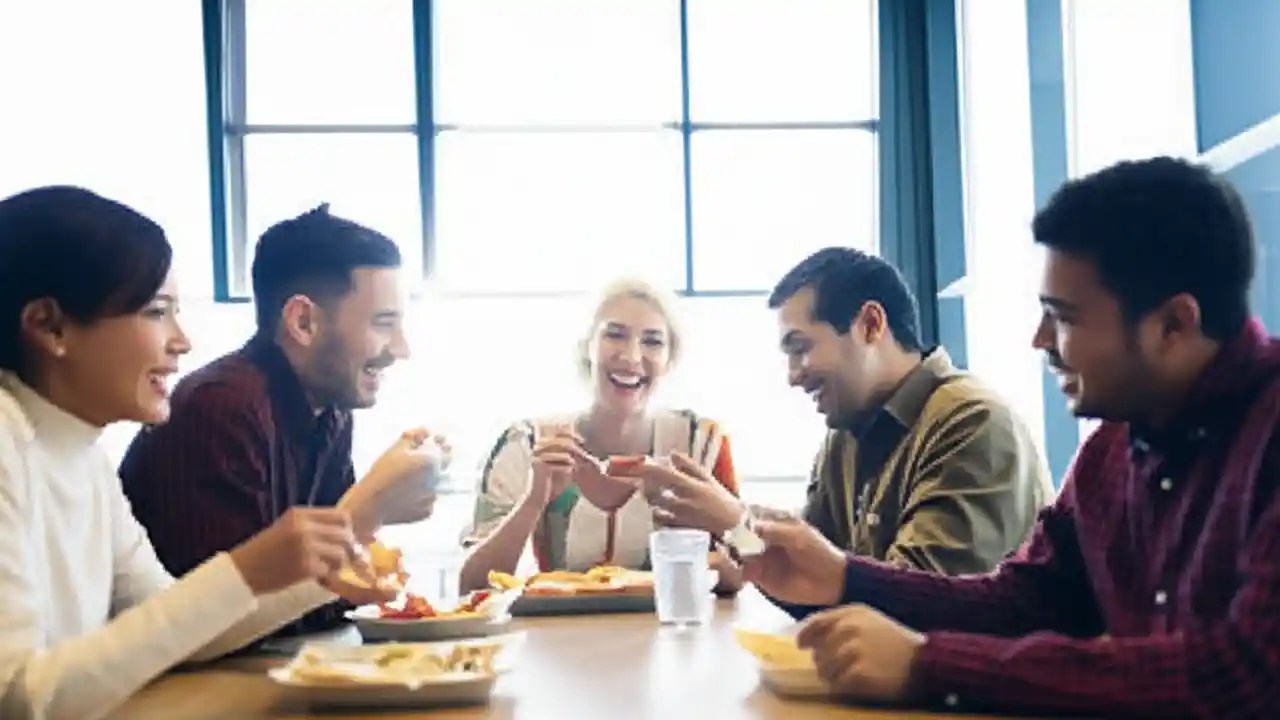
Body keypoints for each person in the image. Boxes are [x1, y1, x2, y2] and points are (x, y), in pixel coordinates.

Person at [736, 158, 1280, 718]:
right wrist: (845, 577)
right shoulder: (1109, 452)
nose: (1040, 341)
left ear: (1174, 325)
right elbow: (1026, 600)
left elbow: (1246, 672)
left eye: (1063, 318)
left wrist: (929, 665)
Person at [0, 186, 414, 720]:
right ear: (49, 327)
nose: (183, 341)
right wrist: (254, 565)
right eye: (157, 311)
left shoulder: (83, 454)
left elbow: (176, 629)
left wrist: (316, 573)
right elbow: (18, 698)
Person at [119, 204, 445, 638]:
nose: (400, 349)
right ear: (303, 321)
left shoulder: (330, 409)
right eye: (383, 323)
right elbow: (222, 627)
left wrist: (372, 543)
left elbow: (326, 597)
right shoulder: (219, 409)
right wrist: (372, 507)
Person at [632, 248, 1052, 578]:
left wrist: (734, 522)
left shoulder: (973, 423)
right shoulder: (848, 433)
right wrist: (726, 527)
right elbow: (808, 573)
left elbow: (917, 601)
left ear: (870, 324)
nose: (793, 377)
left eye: (801, 348)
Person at [458, 278, 743, 593]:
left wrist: (732, 534)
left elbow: (754, 560)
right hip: (558, 639)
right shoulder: (527, 444)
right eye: (615, 335)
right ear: (587, 346)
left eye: (653, 342)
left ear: (670, 360)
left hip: (676, 636)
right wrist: (533, 502)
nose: (632, 356)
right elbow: (471, 586)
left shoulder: (701, 443)